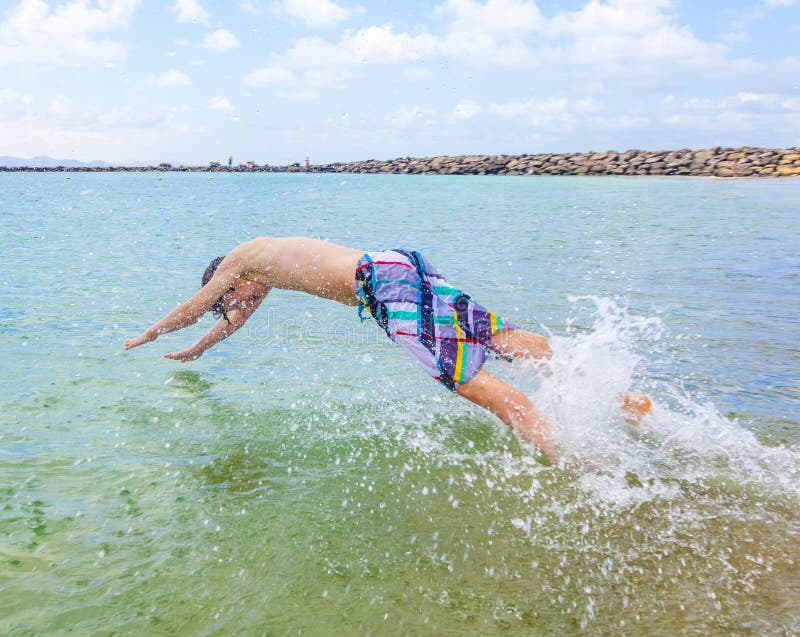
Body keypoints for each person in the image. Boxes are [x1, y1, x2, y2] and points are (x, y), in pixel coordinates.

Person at [124, 237, 651, 462]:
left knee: (457, 373)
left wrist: (152, 333)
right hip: (394, 264)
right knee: (491, 332)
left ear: (226, 279)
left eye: (232, 300)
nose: (240, 305)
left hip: (378, 285)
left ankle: (567, 456)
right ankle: (616, 396)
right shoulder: (262, 268)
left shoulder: (239, 262)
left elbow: (198, 305)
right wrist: (198, 351)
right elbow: (229, 321)